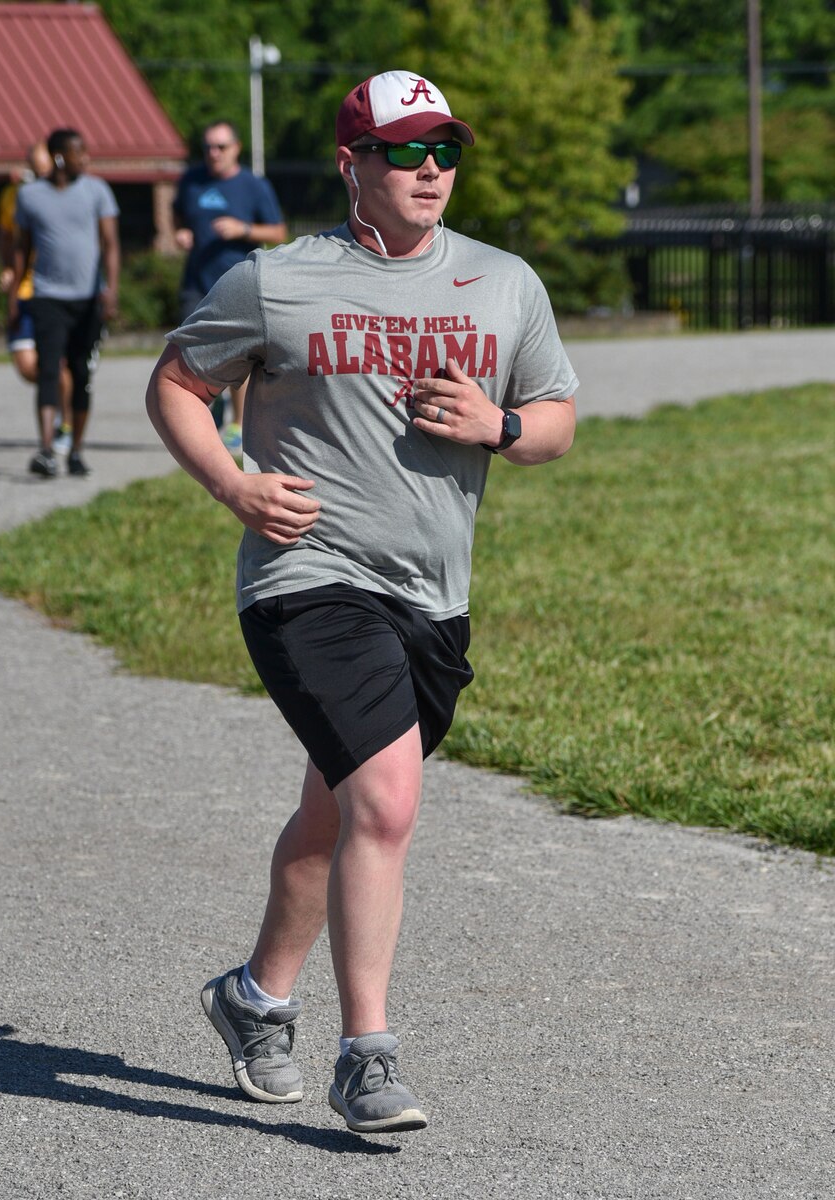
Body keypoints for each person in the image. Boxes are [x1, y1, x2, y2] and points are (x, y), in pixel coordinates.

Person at [146, 70, 578, 1134]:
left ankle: (254, 999)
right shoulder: (275, 282)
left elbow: (558, 415)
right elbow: (176, 382)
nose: (433, 170)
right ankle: (367, 1056)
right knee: (385, 799)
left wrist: (501, 427)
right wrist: (234, 483)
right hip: (305, 580)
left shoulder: (504, 282)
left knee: (337, 807)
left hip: (433, 597)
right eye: (407, 151)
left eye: (446, 151)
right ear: (353, 165)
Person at [10, 128, 120, 478]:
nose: (85, 158)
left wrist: (111, 290)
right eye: (78, 152)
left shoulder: (96, 190)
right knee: (47, 371)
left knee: (80, 373)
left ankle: (75, 451)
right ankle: (45, 450)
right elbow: (21, 249)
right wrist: (14, 294)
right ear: (59, 156)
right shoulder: (30, 196)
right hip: (46, 296)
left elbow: (111, 244)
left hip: (88, 299)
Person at [172, 120, 287, 455]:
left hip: (238, 283)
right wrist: (181, 232)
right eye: (208, 147)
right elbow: (177, 214)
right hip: (196, 282)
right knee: (189, 351)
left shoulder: (253, 186)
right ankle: (204, 413)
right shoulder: (192, 181)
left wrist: (243, 229)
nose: (214, 153)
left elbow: (278, 232)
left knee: (240, 354)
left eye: (221, 147)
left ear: (236, 148)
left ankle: (237, 424)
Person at [0, 141, 74, 453]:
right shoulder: (15, 197)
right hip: (25, 291)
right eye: (36, 168)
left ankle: (63, 424)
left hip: (56, 293)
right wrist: (7, 271)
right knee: (29, 367)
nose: (41, 174)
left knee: (57, 364)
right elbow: (7, 237)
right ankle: (54, 405)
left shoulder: (69, 196)